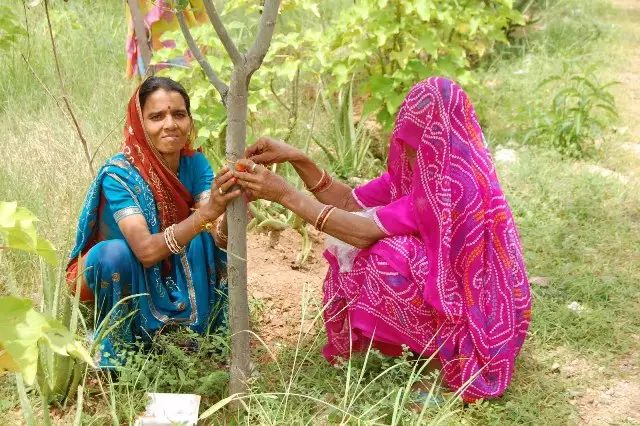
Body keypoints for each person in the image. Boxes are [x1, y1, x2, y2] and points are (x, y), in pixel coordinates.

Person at [233, 77, 531, 402]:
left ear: (442, 138)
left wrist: (285, 194)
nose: (411, 154)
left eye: (419, 145)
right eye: (408, 143)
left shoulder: (451, 185)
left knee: (387, 254)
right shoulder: (421, 171)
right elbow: (349, 203)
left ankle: (441, 372)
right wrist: (298, 158)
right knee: (379, 250)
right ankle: (424, 351)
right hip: (455, 291)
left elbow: (362, 232)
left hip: (476, 312)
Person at [66, 77, 240, 367]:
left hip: (167, 264)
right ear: (139, 123)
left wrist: (236, 208)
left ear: (189, 120)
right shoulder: (119, 175)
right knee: (116, 253)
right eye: (157, 116)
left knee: (203, 238)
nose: (170, 124)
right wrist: (207, 214)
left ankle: (203, 335)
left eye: (179, 114)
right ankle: (117, 352)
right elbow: (145, 252)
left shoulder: (194, 163)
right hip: (116, 268)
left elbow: (218, 236)